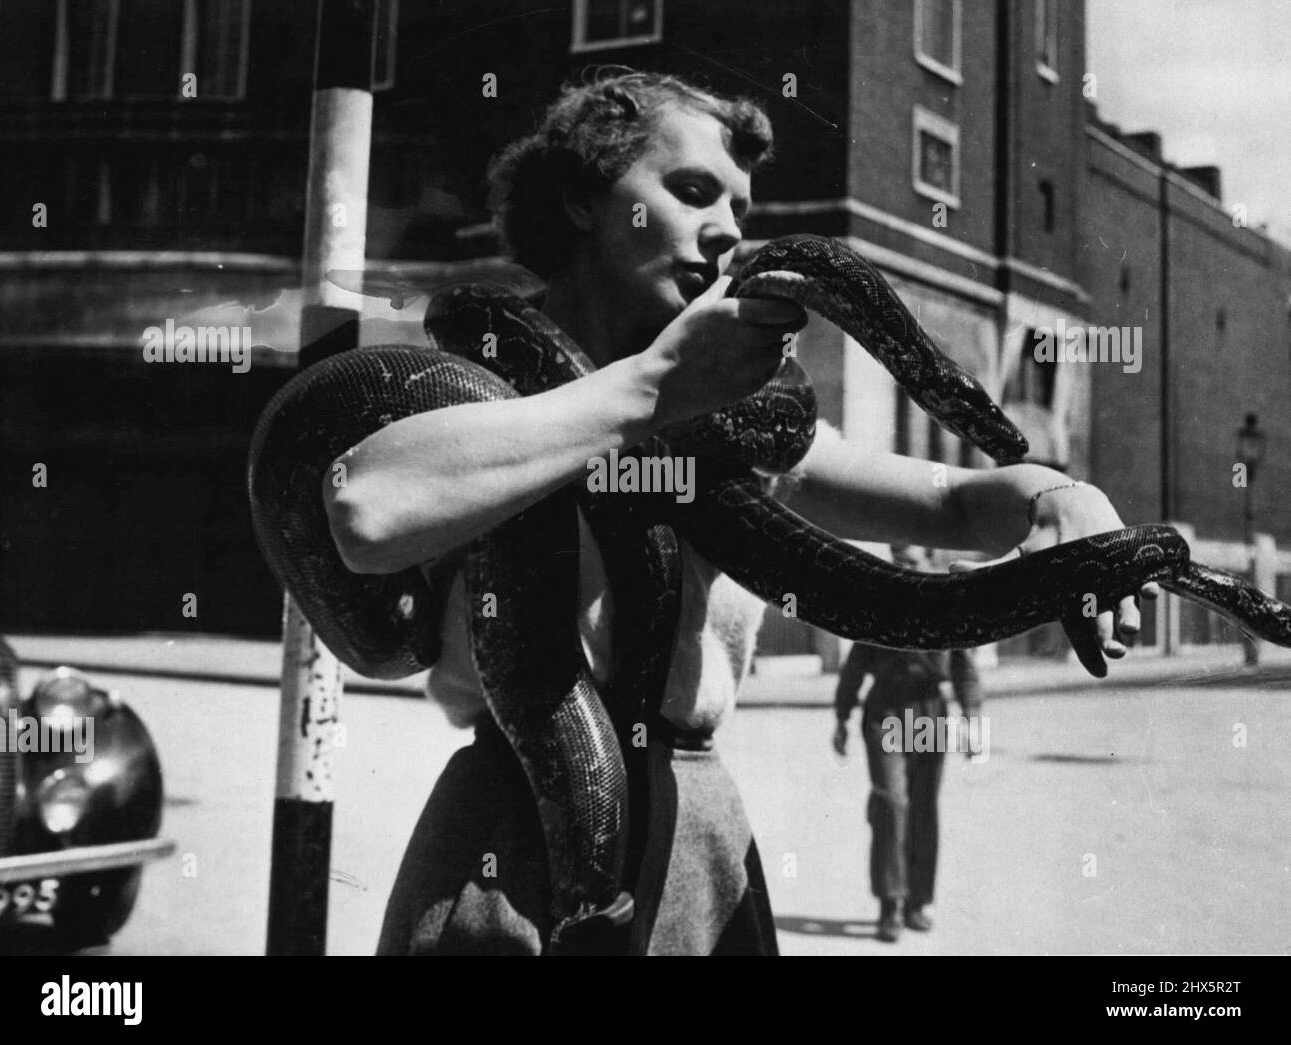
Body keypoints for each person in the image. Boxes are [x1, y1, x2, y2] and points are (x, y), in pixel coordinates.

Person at [324, 69, 1156, 955]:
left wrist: (1067, 499)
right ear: (578, 201)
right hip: (506, 848)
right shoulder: (472, 386)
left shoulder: (742, 416)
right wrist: (647, 392)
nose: (726, 231)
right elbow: (367, 510)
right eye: (689, 192)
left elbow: (954, 501)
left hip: (694, 840)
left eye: (740, 209)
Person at [832, 545, 982, 943]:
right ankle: (890, 905)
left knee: (923, 808)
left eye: (911, 563)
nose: (904, 571)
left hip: (929, 712)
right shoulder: (877, 608)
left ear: (927, 562)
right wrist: (842, 717)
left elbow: (966, 669)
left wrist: (972, 722)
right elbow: (854, 668)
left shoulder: (949, 607)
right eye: (897, 563)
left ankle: (918, 901)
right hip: (886, 714)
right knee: (893, 804)